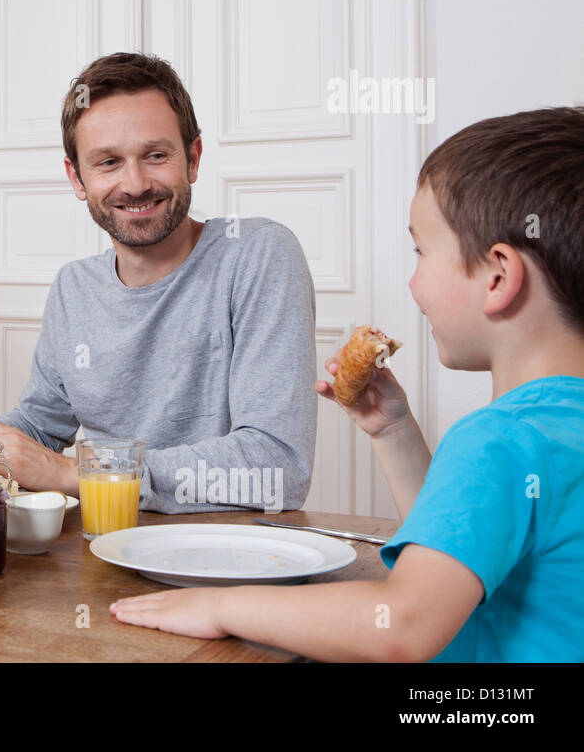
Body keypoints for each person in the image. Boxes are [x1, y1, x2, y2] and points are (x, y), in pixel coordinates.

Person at [111, 107, 584, 661]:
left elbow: (402, 623)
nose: (412, 279)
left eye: (421, 251)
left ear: (499, 276)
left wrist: (220, 607)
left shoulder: (501, 440)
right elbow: (453, 550)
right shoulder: (555, 432)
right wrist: (395, 434)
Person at [0, 52, 317, 512]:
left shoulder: (259, 254)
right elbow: (39, 429)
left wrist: (73, 471)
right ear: (76, 177)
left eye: (156, 155)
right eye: (108, 162)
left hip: (229, 560)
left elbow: (277, 467)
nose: (136, 184)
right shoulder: (73, 287)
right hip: (100, 549)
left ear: (193, 158)